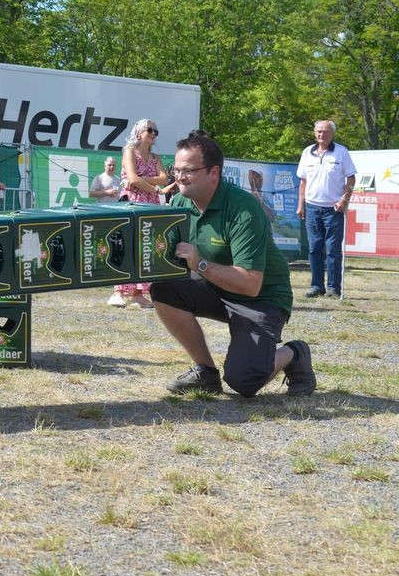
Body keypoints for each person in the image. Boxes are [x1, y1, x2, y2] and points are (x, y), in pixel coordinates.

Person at [151, 134, 314, 397]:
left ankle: (294, 353)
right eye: (176, 169)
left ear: (213, 172)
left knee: (244, 382)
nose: (179, 177)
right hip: (218, 288)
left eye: (188, 171)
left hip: (261, 298)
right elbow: (166, 256)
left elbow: (250, 284)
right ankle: (205, 372)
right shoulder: (180, 202)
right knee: (164, 288)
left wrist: (200, 264)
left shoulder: (243, 209)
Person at [108, 118, 168, 309]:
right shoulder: (130, 152)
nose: (153, 133)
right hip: (132, 203)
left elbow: (164, 178)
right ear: (139, 132)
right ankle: (118, 291)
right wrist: (155, 188)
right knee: (127, 245)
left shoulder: (155, 157)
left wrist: (141, 180)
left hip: (149, 205)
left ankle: (138, 293)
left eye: (155, 131)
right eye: (149, 129)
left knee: (146, 248)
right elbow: (132, 178)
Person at [296, 120, 356, 298]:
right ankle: (316, 286)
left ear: (332, 134)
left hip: (334, 210)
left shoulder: (341, 152)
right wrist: (300, 205)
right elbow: (303, 182)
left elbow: (351, 179)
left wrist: (344, 200)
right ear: (315, 133)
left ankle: (333, 288)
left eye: (326, 131)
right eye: (319, 131)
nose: (322, 134)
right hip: (312, 207)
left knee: (333, 249)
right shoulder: (307, 152)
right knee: (314, 248)